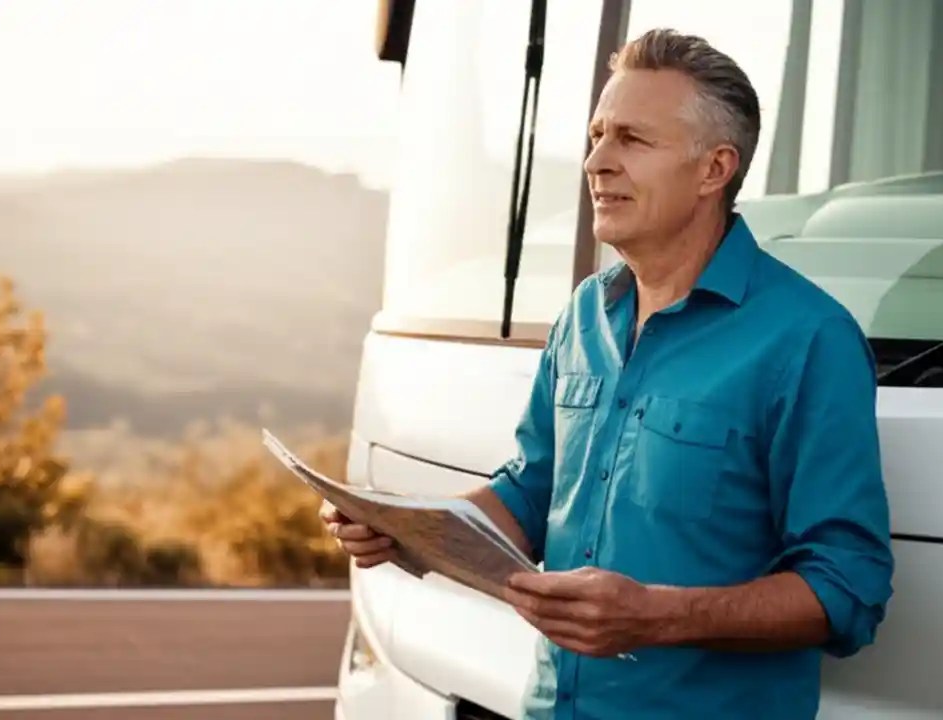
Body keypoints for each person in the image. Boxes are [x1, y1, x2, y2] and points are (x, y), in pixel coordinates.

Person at [323, 28, 893, 719]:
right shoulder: (584, 314)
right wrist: (407, 529)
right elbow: (532, 492)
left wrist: (657, 617)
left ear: (714, 169)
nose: (597, 161)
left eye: (631, 139)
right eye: (597, 135)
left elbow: (848, 589)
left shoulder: (810, 340)